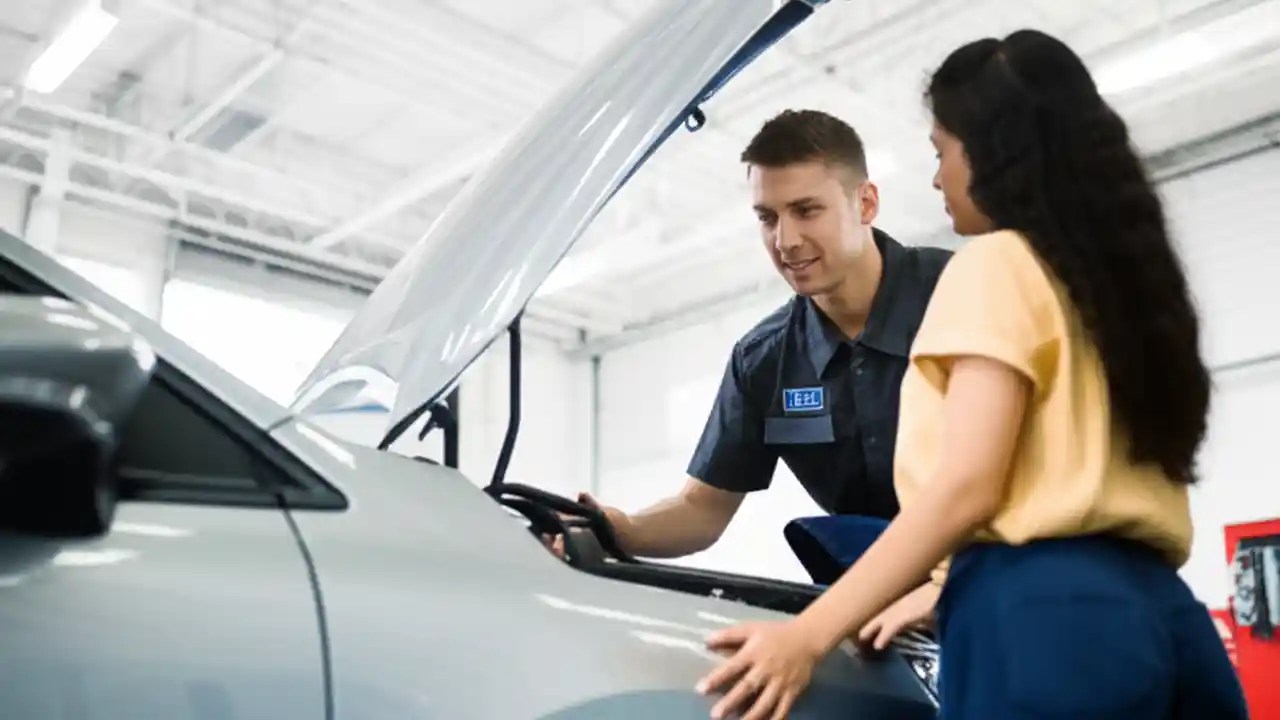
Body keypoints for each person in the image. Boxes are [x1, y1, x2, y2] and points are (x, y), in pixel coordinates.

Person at [694, 29, 1248, 720]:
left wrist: (806, 636)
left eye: (940, 153)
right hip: (1164, 615)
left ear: (992, 153)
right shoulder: (1113, 287)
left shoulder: (992, 265)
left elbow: (967, 487)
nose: (934, 178)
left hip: (1038, 623)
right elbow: (1047, 478)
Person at [550, 109, 952, 576]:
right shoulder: (763, 360)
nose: (785, 240)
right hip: (878, 591)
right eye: (767, 217)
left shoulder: (963, 291)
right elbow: (702, 509)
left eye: (806, 211)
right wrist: (618, 528)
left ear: (865, 203)